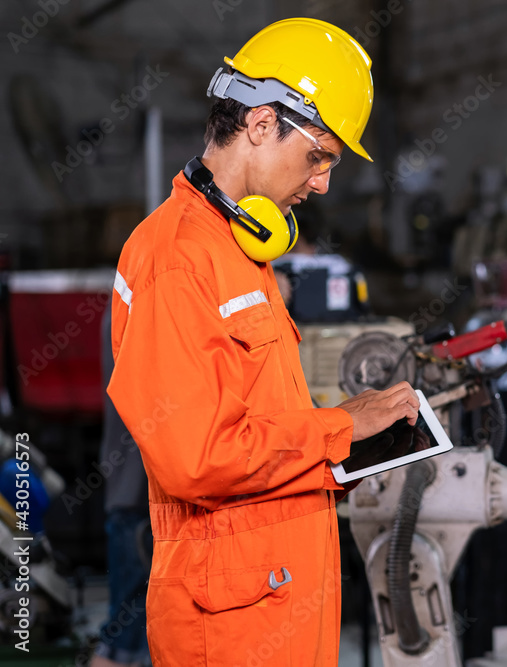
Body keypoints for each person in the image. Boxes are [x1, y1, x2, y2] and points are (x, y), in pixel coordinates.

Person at [105, 18, 418, 667]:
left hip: (272, 609)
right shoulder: (176, 260)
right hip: (229, 632)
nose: (323, 182)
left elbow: (257, 431)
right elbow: (196, 457)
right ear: (260, 124)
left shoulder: (241, 248)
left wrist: (337, 467)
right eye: (319, 155)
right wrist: (339, 429)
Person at [91, 307, 152, 667]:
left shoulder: (125, 305)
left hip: (135, 493)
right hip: (138, 499)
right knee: (122, 639)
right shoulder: (135, 310)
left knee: (131, 636)